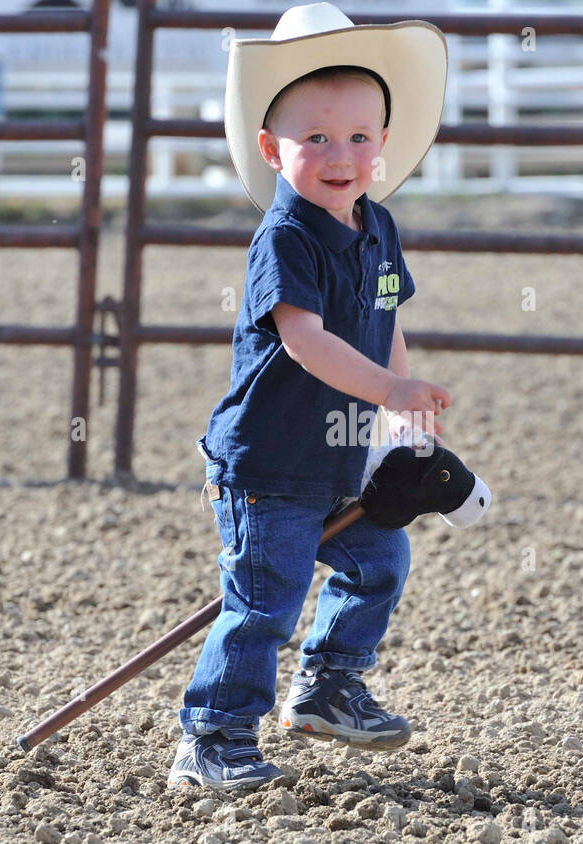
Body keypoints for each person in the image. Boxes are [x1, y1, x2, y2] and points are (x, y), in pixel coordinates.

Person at [168, 3, 451, 790]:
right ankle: (212, 734)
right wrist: (390, 386)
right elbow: (305, 339)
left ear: (383, 145)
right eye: (316, 137)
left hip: (339, 455)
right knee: (265, 603)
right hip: (267, 462)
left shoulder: (379, 227)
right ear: (271, 148)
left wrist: (401, 410)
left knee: (378, 557)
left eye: (360, 137)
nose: (341, 155)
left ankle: (329, 682)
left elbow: (385, 317)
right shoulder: (286, 236)